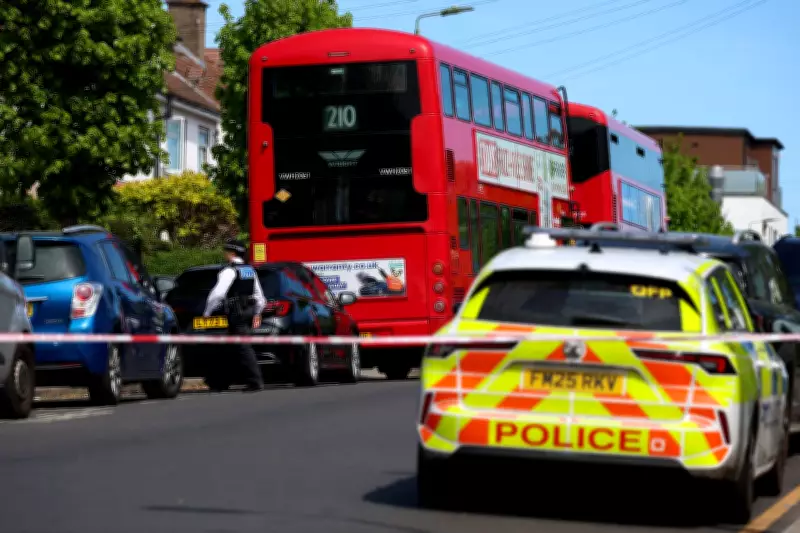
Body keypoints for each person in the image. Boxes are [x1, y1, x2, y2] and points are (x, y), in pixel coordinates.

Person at [203, 239, 266, 391]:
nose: (224, 254)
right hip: (248, 312)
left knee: (243, 347)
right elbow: (260, 298)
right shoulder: (249, 270)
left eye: (225, 251)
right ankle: (219, 381)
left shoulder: (229, 271)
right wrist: (257, 312)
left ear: (231, 253)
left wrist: (207, 312)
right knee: (231, 347)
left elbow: (217, 294)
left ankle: (255, 381)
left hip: (236, 313)